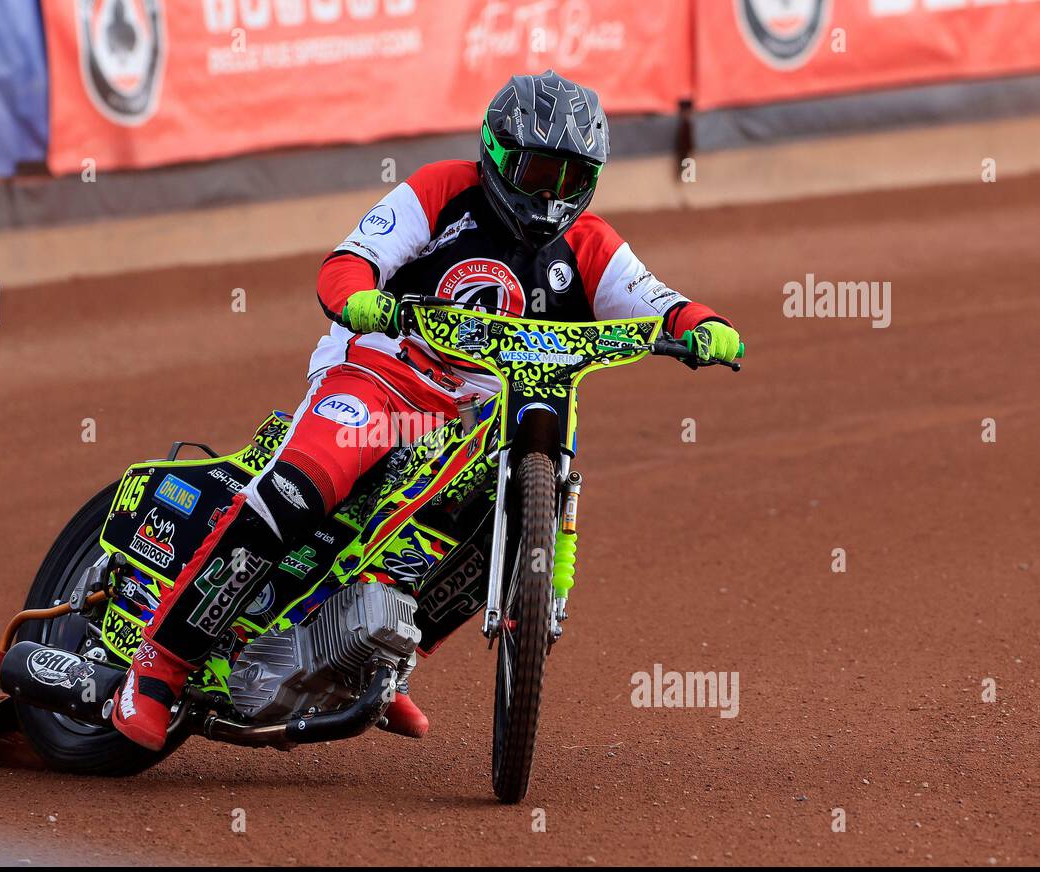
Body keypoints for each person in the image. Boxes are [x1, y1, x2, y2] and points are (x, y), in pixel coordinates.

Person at [112, 70, 743, 750]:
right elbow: (353, 258)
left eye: (570, 177)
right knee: (302, 492)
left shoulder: (588, 243)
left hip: (478, 413)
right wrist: (360, 295)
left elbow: (658, 301)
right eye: (536, 171)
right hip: (382, 377)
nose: (551, 194)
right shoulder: (443, 189)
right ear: (497, 154)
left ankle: (379, 663)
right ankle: (160, 664)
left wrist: (703, 326)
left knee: (475, 525)